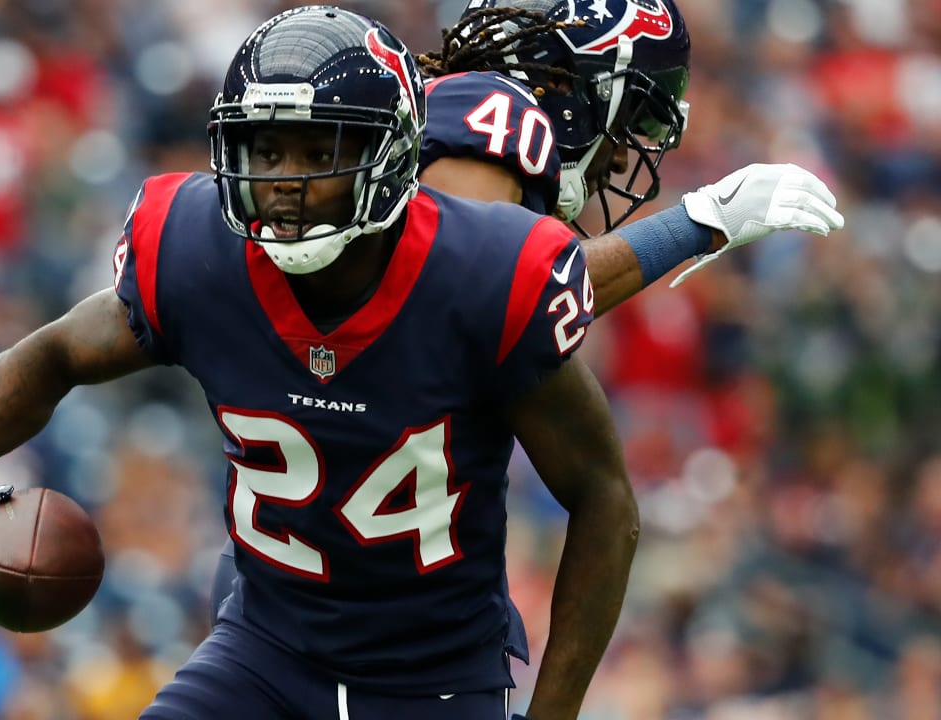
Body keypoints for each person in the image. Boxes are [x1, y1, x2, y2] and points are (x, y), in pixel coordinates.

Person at [0, 6, 841, 719]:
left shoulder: (484, 270)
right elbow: (54, 352)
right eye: (262, 149)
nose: (282, 180)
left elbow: (599, 488)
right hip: (266, 642)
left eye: (315, 151)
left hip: (433, 679)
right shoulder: (202, 247)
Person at [206, 0, 846, 630]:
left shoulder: (456, 116)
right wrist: (697, 223)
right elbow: (474, 292)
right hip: (332, 583)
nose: (624, 155)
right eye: (631, 118)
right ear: (576, 83)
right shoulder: (494, 113)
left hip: (309, 552)